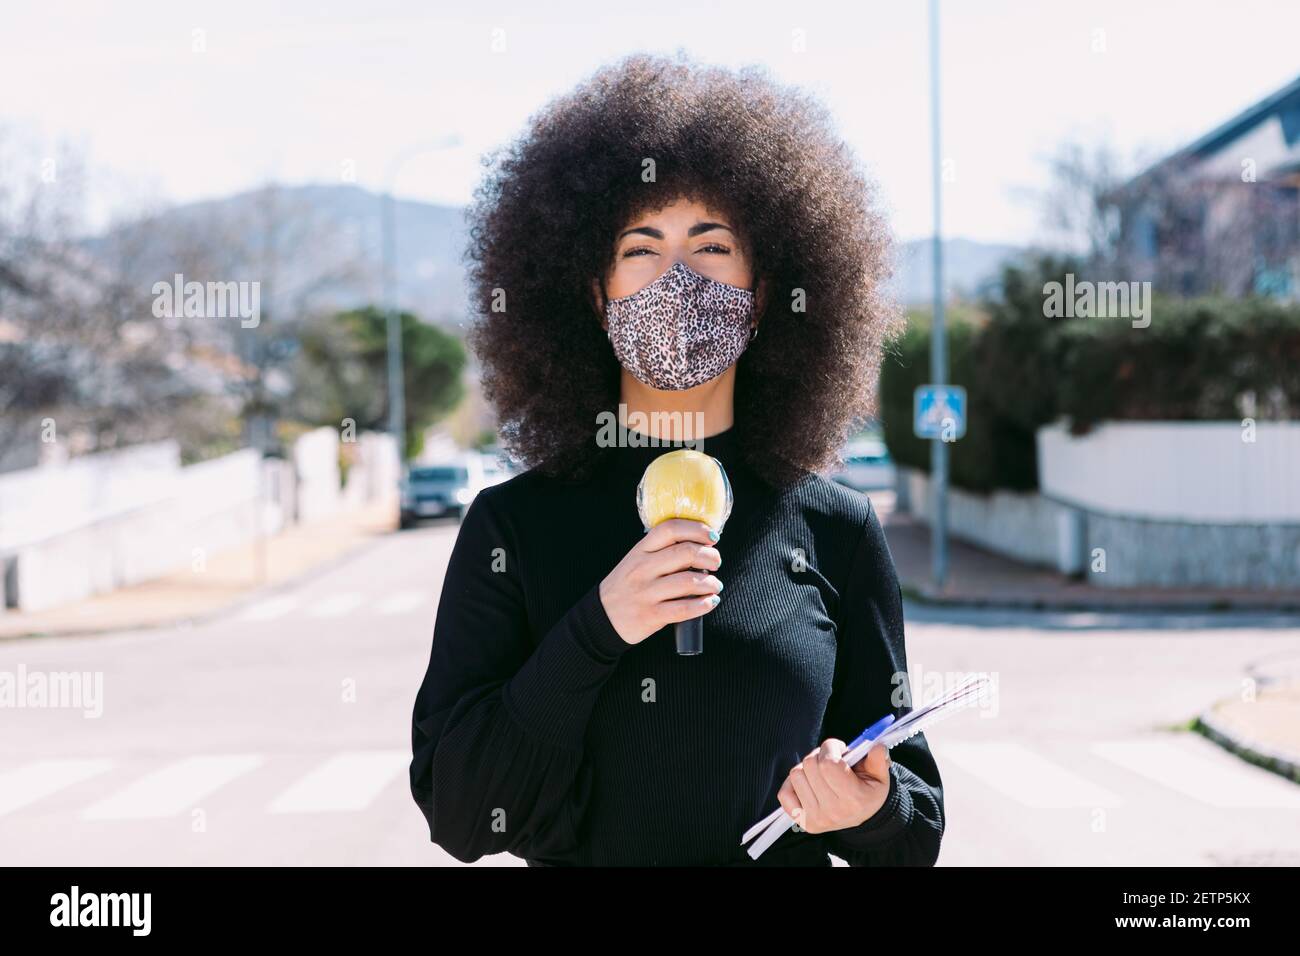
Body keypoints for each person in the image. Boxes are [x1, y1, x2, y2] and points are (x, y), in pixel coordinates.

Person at [409, 51, 944, 866]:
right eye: (641, 249)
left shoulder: (833, 526)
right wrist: (598, 628)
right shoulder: (512, 527)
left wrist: (867, 809)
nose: (678, 278)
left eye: (712, 246)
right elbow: (460, 812)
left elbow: (916, 830)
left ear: (764, 293)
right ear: (593, 294)